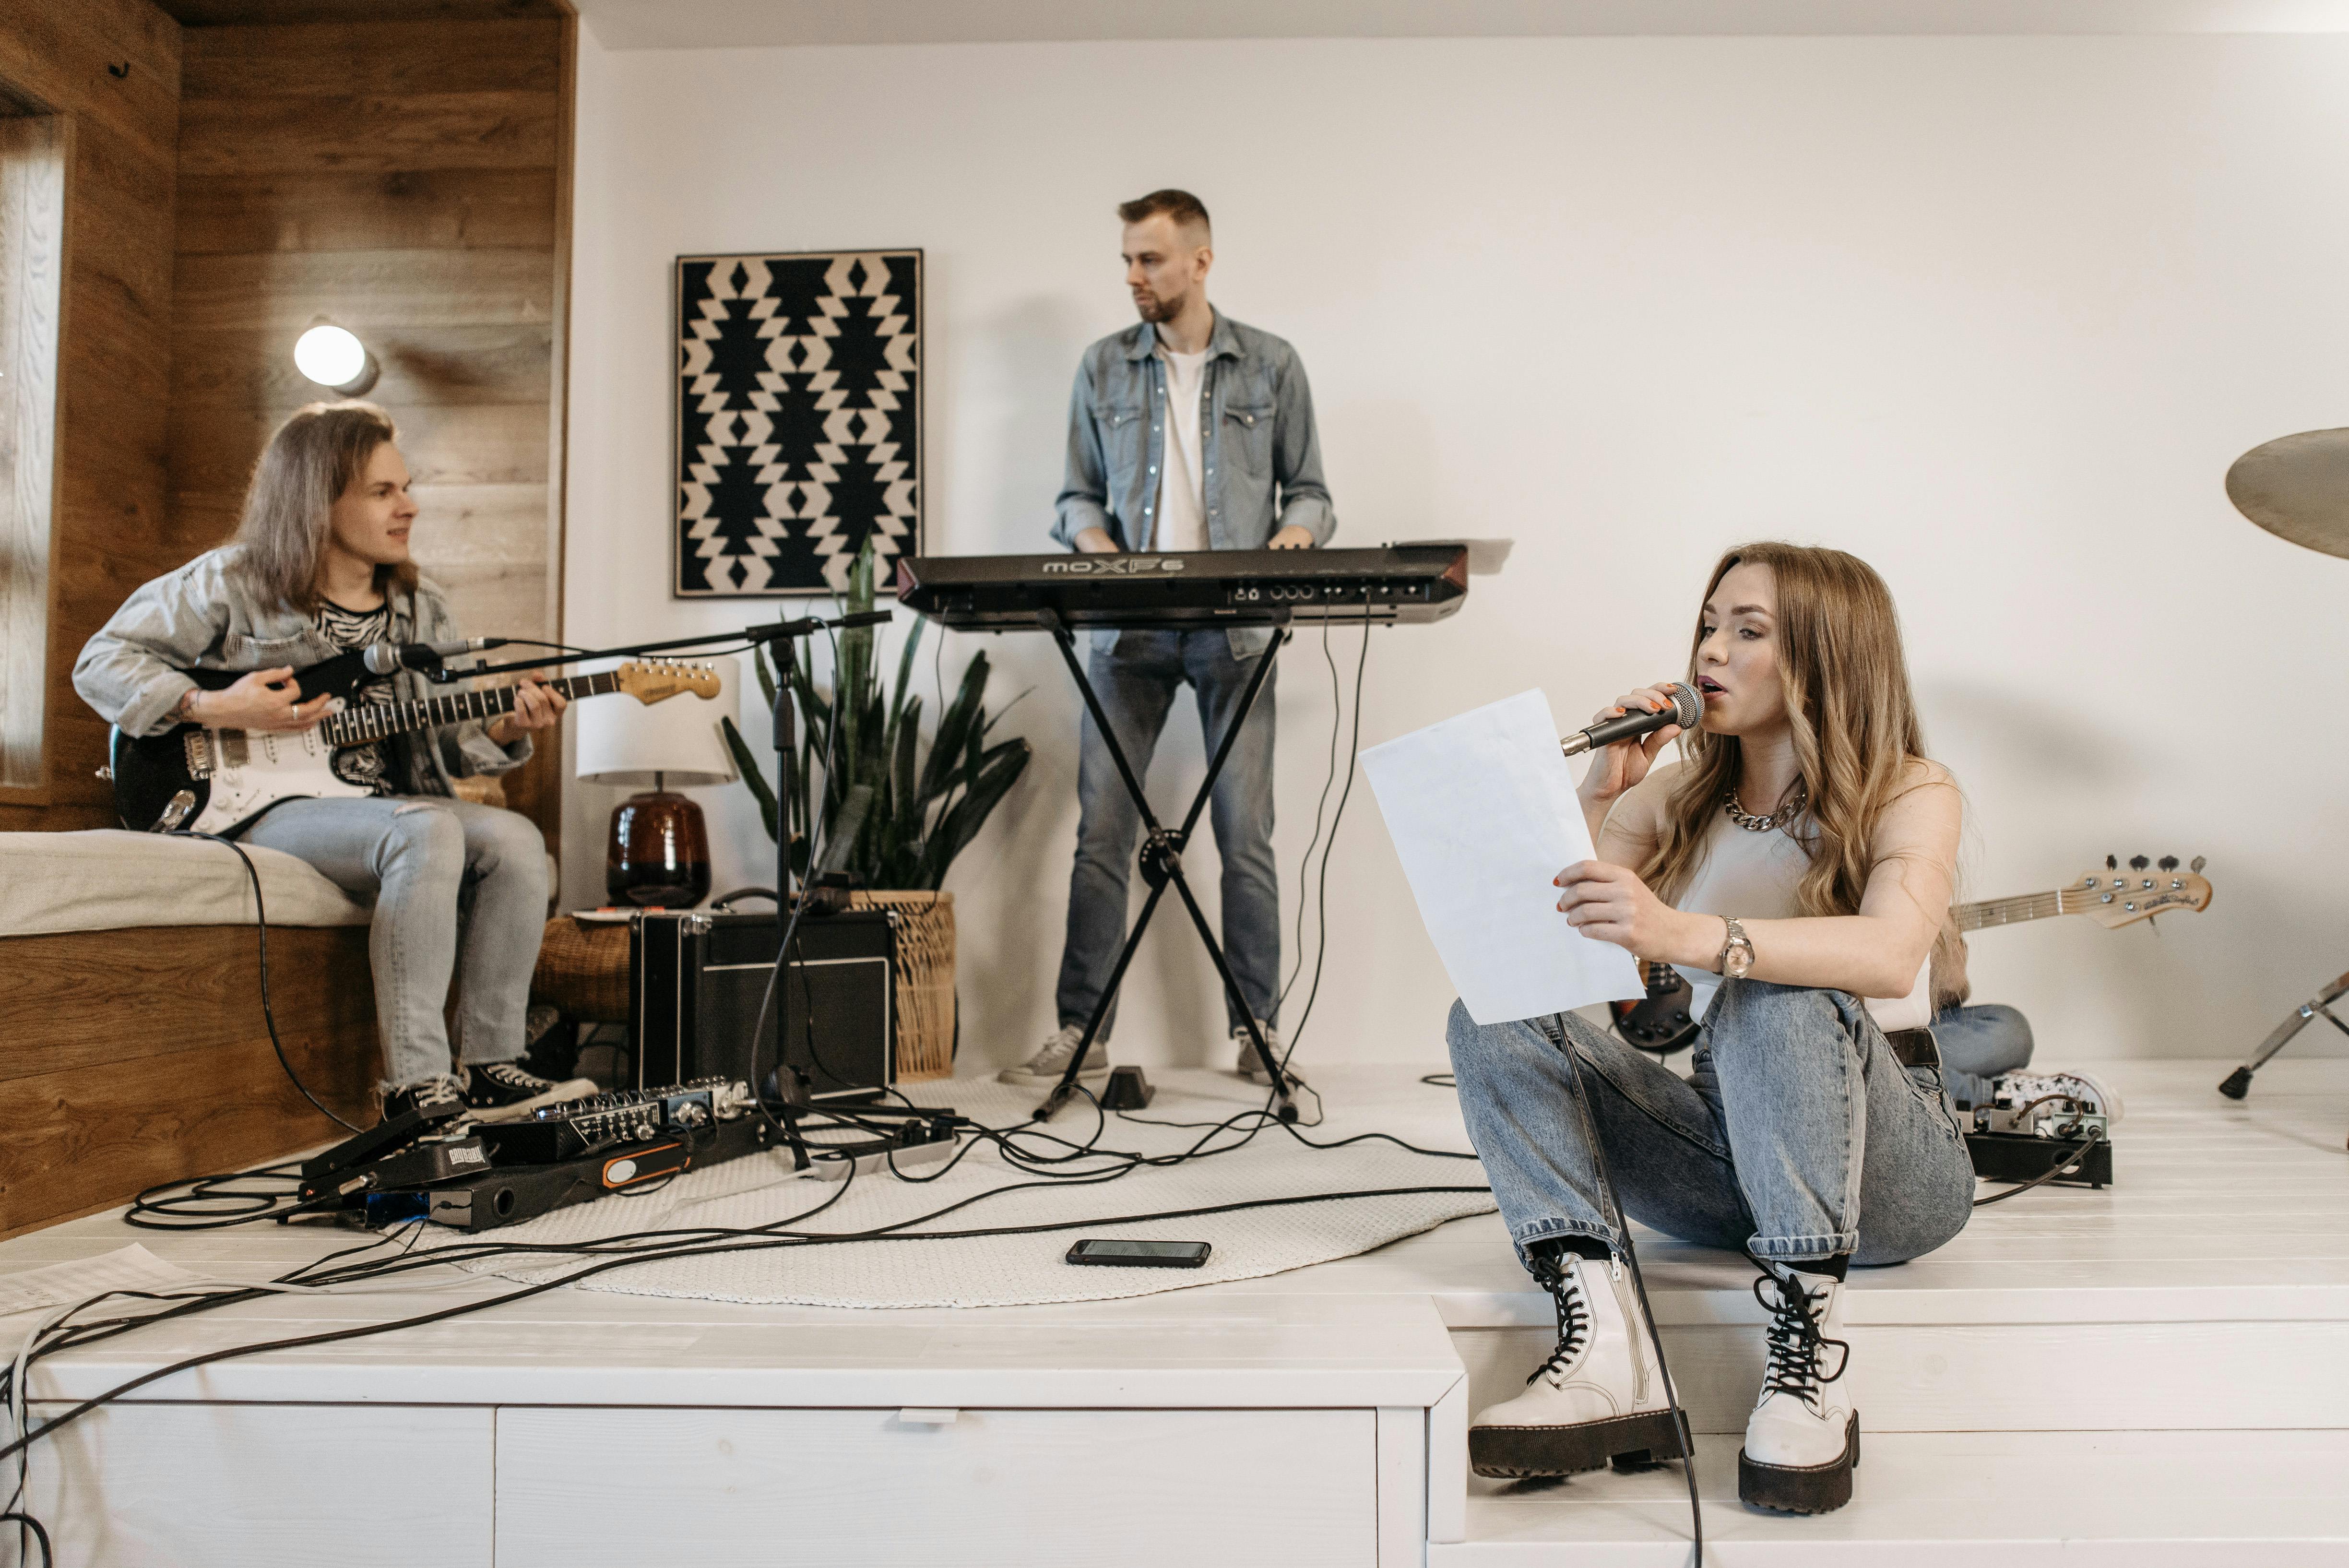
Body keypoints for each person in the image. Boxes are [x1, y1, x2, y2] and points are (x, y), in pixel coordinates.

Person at [1447, 542, 1976, 1516]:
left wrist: (1690, 932)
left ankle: (1809, 1355)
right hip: (1730, 1149)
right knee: (1496, 1005)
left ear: (1824, 655)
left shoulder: (1912, 789)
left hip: (1893, 1174)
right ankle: (1607, 1345)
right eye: (1708, 624)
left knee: (1773, 986)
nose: (1711, 650)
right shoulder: (1674, 795)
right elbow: (1551, 955)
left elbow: (1891, 953)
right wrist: (1606, 791)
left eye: (1748, 630)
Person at [75, 401, 589, 1126]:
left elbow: (448, 743)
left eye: (406, 487)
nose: (409, 506)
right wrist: (216, 707)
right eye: (384, 492)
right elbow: (102, 662)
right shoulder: (232, 581)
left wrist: (505, 728)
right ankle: (416, 1087)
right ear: (319, 498)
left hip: (378, 807)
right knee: (424, 831)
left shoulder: (421, 608)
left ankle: (493, 1065)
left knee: (517, 842)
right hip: (247, 805)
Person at [1001, 189, 1334, 1088]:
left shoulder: (1272, 365)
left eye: (1149, 259)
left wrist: (1293, 541)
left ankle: (1257, 1030)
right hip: (1127, 631)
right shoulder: (1101, 367)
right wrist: (1101, 551)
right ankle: (1082, 1033)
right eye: (1126, 260)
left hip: (1236, 628)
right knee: (1100, 834)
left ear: (1200, 260)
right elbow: (1074, 497)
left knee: (1245, 834)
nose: (1133, 276)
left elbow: (1310, 491)